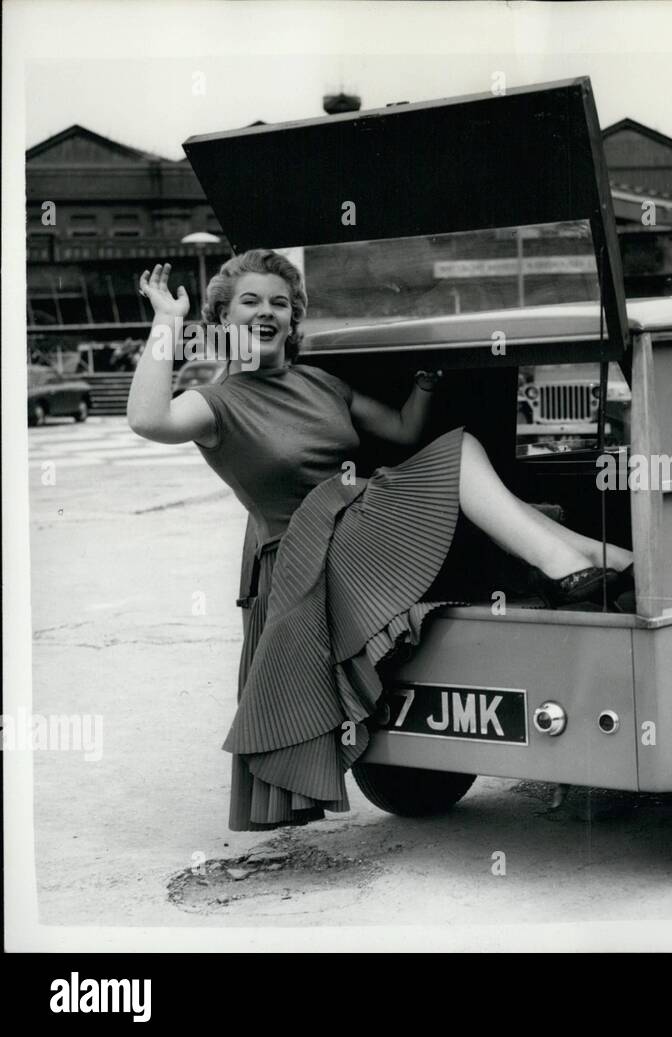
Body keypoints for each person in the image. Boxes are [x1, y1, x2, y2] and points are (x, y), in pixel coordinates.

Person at [128, 250, 632, 830]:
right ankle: (577, 561)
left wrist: (422, 384)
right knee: (461, 452)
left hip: (355, 527)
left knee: (456, 450)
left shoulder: (318, 382)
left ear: (293, 322)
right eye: (250, 301)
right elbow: (147, 420)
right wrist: (167, 321)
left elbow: (402, 431)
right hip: (306, 556)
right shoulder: (215, 404)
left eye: (280, 303)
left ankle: (591, 557)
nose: (267, 311)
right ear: (221, 318)